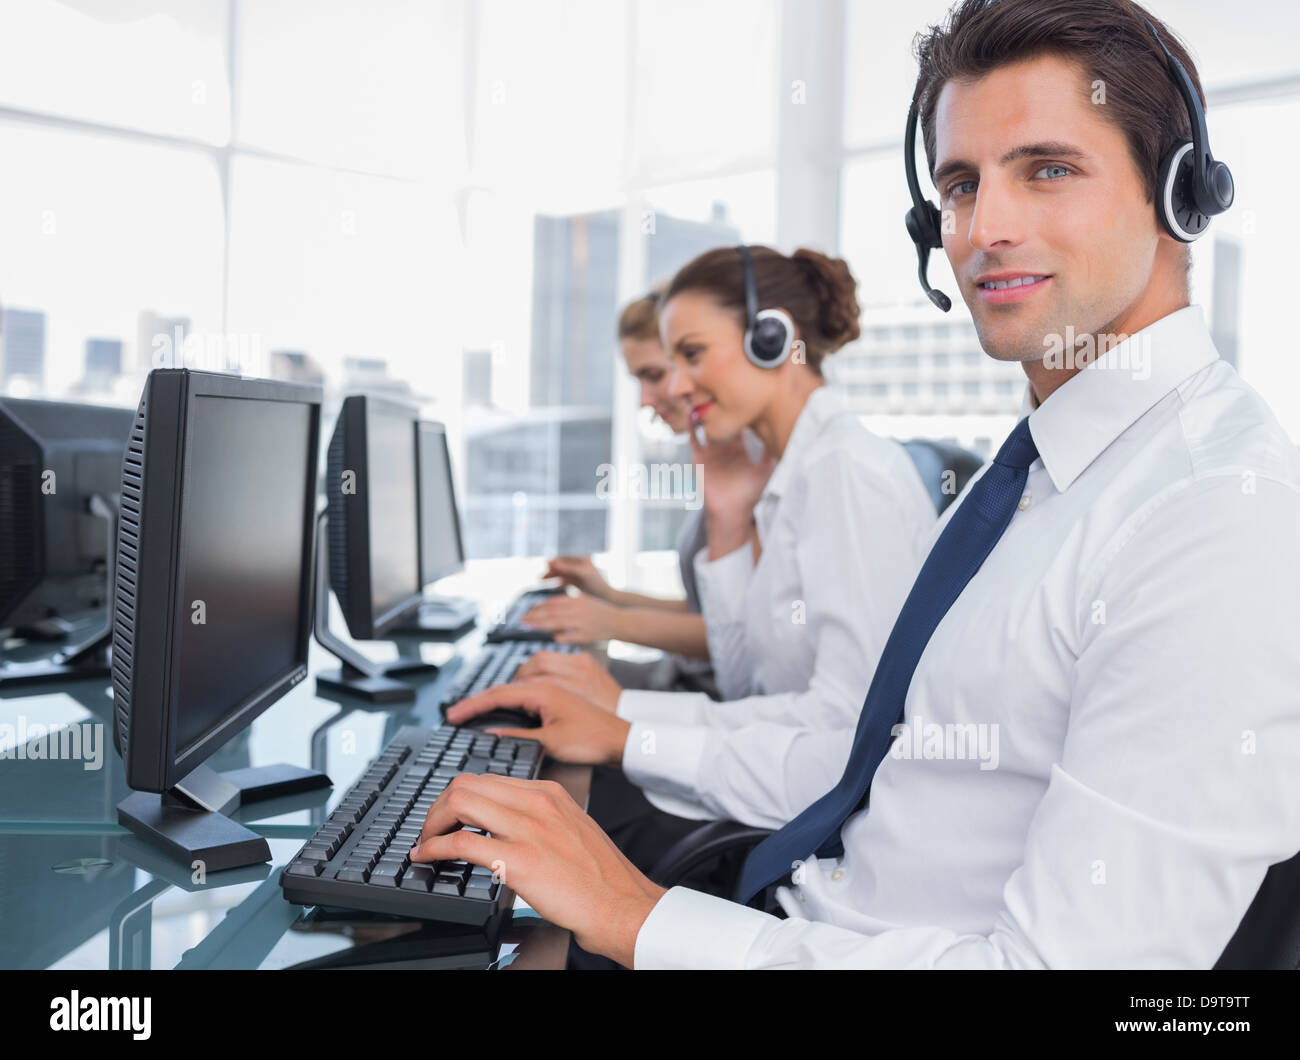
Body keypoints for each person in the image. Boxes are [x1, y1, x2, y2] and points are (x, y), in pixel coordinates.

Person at [416, 0, 1300, 969]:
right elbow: (859, 756)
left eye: (1047, 169)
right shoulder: (1027, 485)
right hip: (799, 910)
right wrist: (631, 752)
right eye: (959, 185)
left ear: (1179, 195)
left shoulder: (1212, 517)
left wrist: (638, 916)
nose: (984, 227)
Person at [520, 244, 937, 888]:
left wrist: (628, 722)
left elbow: (848, 740)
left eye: (692, 354)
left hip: (816, 835)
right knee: (537, 788)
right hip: (771, 789)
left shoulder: (845, 476)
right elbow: (745, 683)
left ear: (774, 337)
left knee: (543, 815)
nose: (677, 386)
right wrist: (727, 515)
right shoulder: (791, 479)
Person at [522, 285, 725, 699]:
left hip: (707, 699)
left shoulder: (753, 477)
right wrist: (608, 595)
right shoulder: (717, 461)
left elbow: (737, 635)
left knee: (541, 697)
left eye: (653, 375)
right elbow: (710, 612)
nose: (646, 400)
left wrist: (608, 621)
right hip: (682, 678)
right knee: (533, 679)